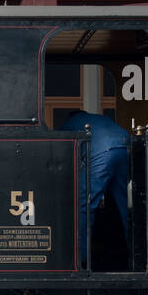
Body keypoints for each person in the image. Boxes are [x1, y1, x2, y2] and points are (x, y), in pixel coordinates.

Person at [58, 109, 131, 267]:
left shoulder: (68, 125)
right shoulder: (98, 118)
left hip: (104, 150)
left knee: (84, 204)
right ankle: (131, 255)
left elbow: (62, 158)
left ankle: (81, 260)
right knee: (123, 205)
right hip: (126, 143)